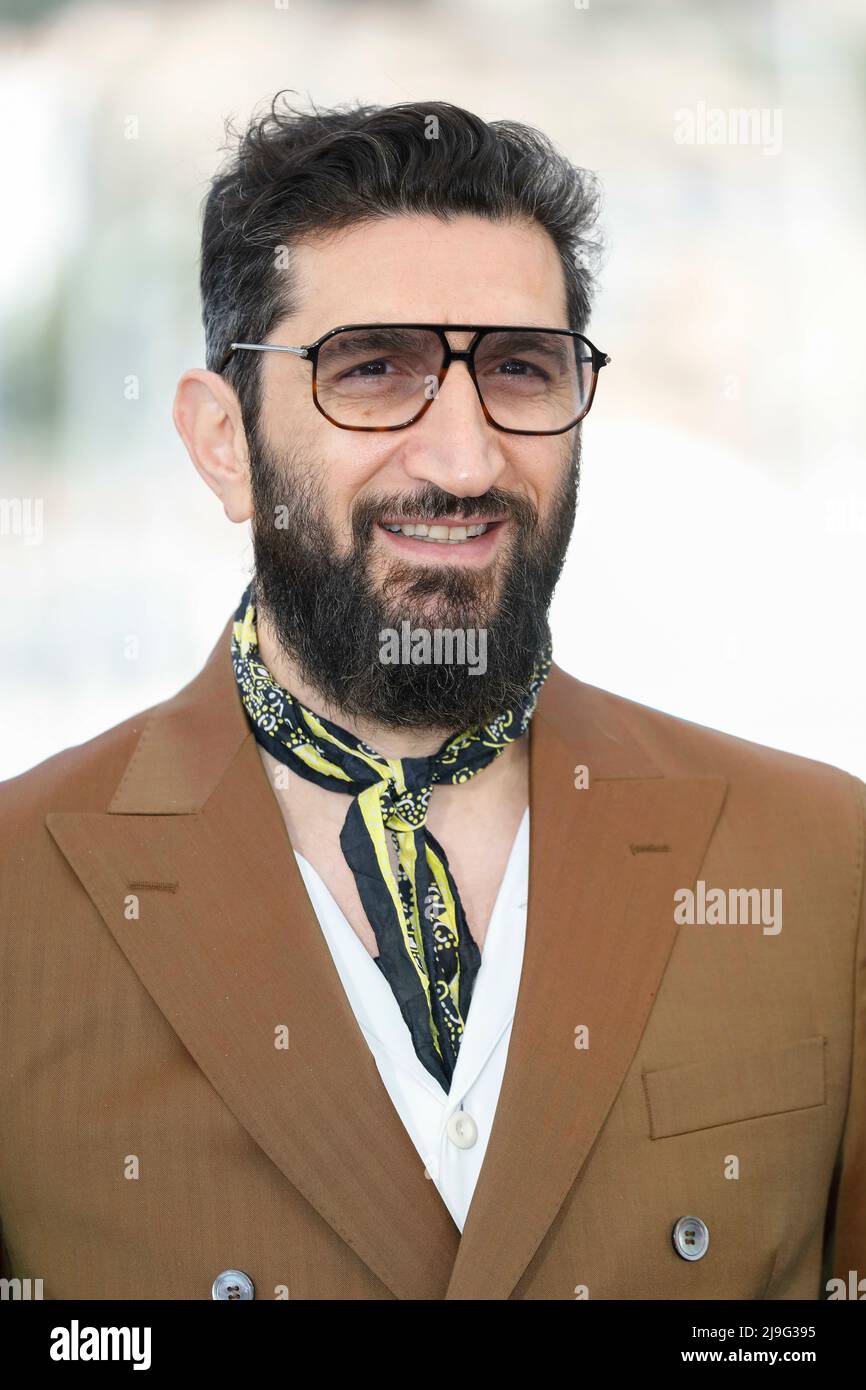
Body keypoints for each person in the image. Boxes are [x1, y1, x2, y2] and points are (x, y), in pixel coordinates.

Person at [0, 97, 862, 1302]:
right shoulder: (16, 895)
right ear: (222, 442)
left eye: (518, 370)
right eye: (372, 370)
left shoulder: (822, 860)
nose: (462, 461)